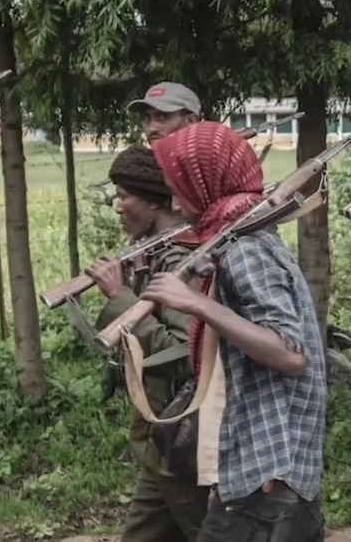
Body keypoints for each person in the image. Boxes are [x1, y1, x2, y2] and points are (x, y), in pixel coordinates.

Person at [139, 121, 327, 541]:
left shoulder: (245, 247)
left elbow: (291, 354)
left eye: (178, 186)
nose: (173, 199)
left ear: (206, 183)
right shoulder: (236, 238)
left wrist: (196, 303)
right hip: (273, 462)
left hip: (270, 464)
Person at [86, 146, 210, 542]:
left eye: (124, 197)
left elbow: (186, 356)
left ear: (154, 203)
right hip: (161, 439)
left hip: (182, 436)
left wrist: (121, 298)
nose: (118, 207)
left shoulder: (180, 262)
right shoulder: (152, 256)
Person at [127, 82, 202, 143]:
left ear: (191, 121)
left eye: (161, 118)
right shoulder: (140, 160)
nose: (151, 128)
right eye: (146, 118)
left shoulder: (209, 160)